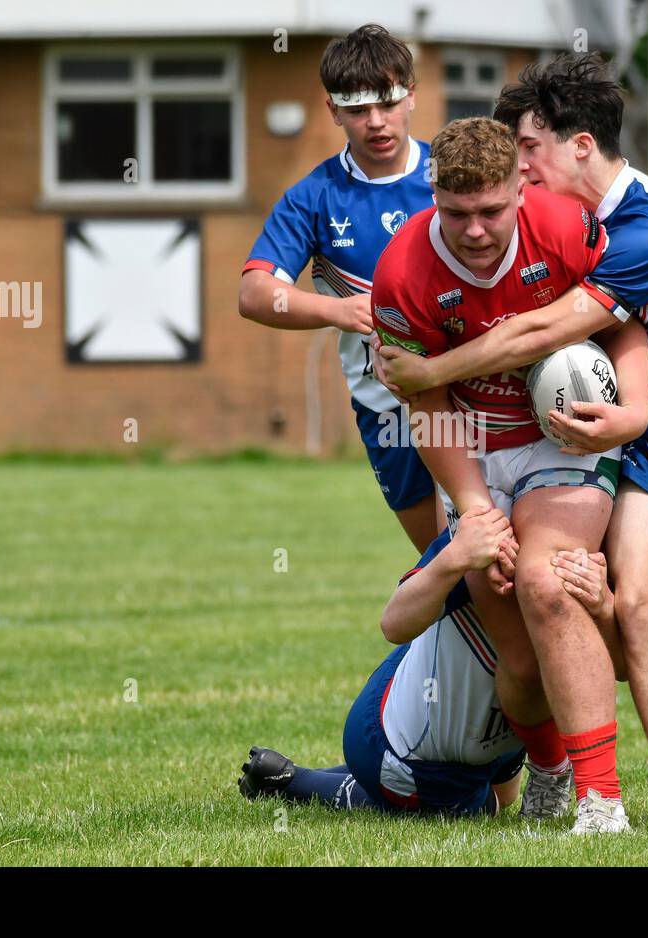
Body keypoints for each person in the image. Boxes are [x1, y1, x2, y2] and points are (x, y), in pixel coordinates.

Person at [373, 55, 648, 829]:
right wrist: (469, 499)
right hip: (615, 426)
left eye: (528, 149)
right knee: (629, 609)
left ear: (577, 146)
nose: (519, 167)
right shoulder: (439, 254)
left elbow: (551, 328)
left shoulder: (642, 230)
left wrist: (429, 366)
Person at [369, 117, 648, 833]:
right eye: (457, 214)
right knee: (521, 669)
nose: (474, 230)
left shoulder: (566, 227)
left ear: (520, 190)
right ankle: (549, 769)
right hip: (471, 450)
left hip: (564, 439)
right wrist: (471, 508)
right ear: (433, 195)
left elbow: (622, 324)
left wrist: (633, 411)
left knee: (545, 581)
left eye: (491, 211)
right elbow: (424, 400)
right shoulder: (401, 274)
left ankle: (602, 800)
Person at [238, 24, 439, 551]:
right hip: (389, 412)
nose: (376, 122)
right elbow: (255, 293)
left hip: (477, 399)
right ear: (332, 111)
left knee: (506, 564)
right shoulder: (315, 196)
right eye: (357, 109)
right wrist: (340, 311)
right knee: (451, 568)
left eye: (389, 102)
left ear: (412, 95)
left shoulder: (453, 173)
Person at [239, 507, 526, 815]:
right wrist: (456, 556)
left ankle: (289, 773)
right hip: (393, 741)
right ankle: (294, 781)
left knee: (503, 793)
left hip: (494, 713)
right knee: (480, 803)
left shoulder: (564, 535)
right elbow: (394, 623)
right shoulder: (494, 528)